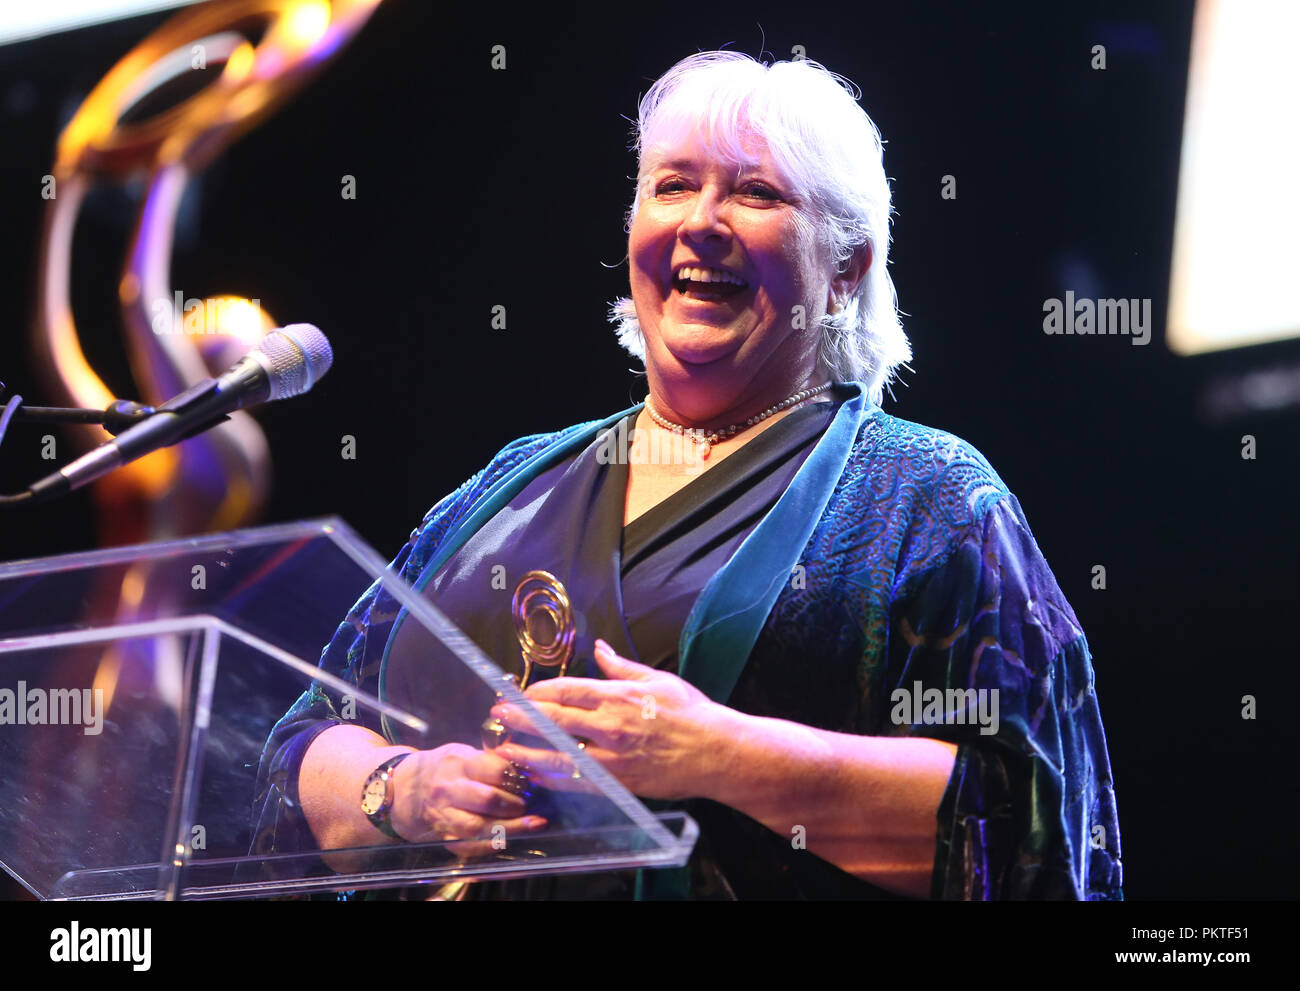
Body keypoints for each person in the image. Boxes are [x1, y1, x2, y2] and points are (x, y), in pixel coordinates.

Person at [252, 51, 1122, 900]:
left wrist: (720, 754)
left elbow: (1031, 828)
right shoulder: (509, 485)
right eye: (672, 185)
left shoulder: (926, 498)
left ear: (846, 270)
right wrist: (400, 789)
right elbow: (302, 739)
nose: (701, 220)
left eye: (756, 192)